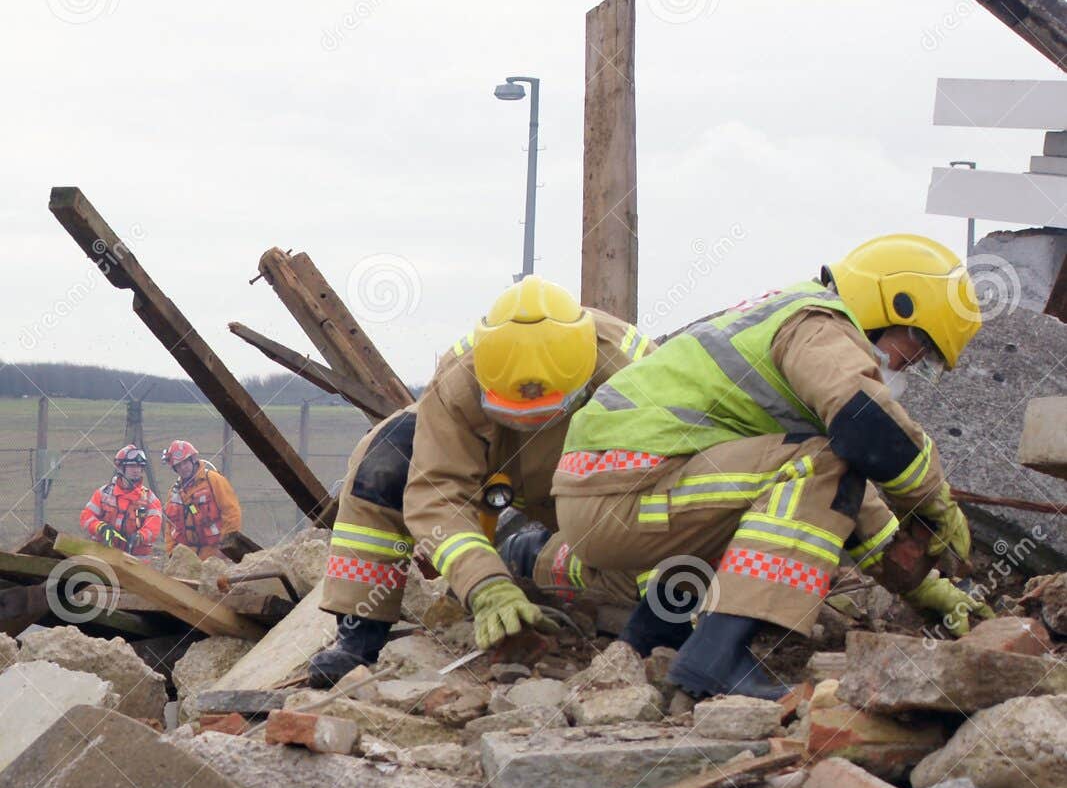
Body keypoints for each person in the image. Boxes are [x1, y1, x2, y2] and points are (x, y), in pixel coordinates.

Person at [549, 234, 990, 699]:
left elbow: (839, 493)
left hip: (612, 494)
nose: (909, 366)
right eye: (916, 349)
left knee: (781, 484)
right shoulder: (818, 325)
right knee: (819, 461)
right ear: (890, 307)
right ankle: (718, 657)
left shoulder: (786, 318)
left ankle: (659, 636)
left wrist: (926, 588)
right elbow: (867, 429)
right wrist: (935, 502)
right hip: (625, 490)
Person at [308, 275, 652, 687]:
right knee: (384, 462)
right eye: (516, 411)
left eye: (541, 412)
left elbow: (671, 486)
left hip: (592, 479)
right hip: (493, 456)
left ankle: (534, 557)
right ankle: (359, 635)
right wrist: (484, 585)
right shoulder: (460, 379)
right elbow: (437, 495)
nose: (529, 421)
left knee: (628, 556)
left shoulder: (636, 375)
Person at [161, 440, 242, 558]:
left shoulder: (214, 480)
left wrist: (226, 548)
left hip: (215, 554)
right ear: (174, 468)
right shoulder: (174, 493)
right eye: (178, 465)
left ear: (193, 460)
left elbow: (231, 513)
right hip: (187, 557)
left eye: (185, 462)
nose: (183, 468)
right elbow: (170, 527)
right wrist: (171, 553)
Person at [79, 446, 162, 559]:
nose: (136, 470)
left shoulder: (150, 499)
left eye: (139, 466)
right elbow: (86, 517)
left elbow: (153, 528)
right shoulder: (103, 494)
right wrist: (100, 527)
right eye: (132, 466)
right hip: (103, 555)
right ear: (121, 468)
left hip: (135, 560)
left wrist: (139, 537)